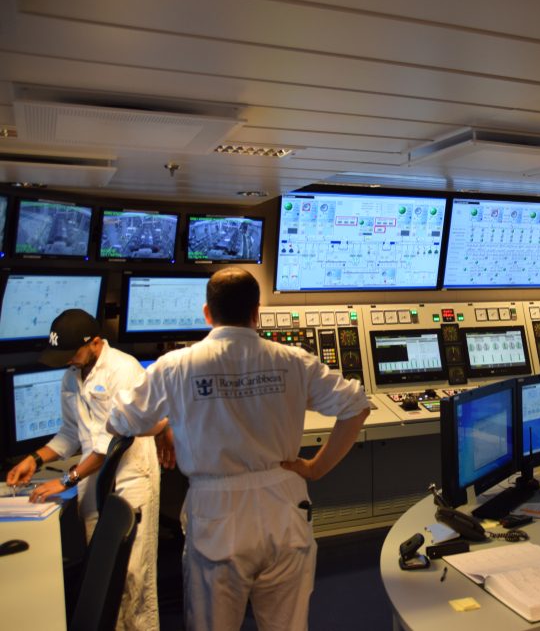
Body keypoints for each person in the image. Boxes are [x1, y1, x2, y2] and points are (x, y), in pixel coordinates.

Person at [107, 267, 370, 631]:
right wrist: (316, 468)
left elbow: (121, 421)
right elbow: (357, 406)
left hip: (217, 515)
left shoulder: (175, 367)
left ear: (207, 313)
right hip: (285, 505)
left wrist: (168, 420)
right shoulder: (294, 360)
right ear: (256, 312)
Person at [5, 309, 163, 631]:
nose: (68, 361)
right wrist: (34, 460)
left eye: (72, 353)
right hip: (95, 482)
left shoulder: (123, 370)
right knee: (103, 581)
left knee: (134, 580)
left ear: (94, 343)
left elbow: (110, 443)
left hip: (131, 480)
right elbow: (69, 433)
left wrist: (65, 480)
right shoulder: (71, 376)